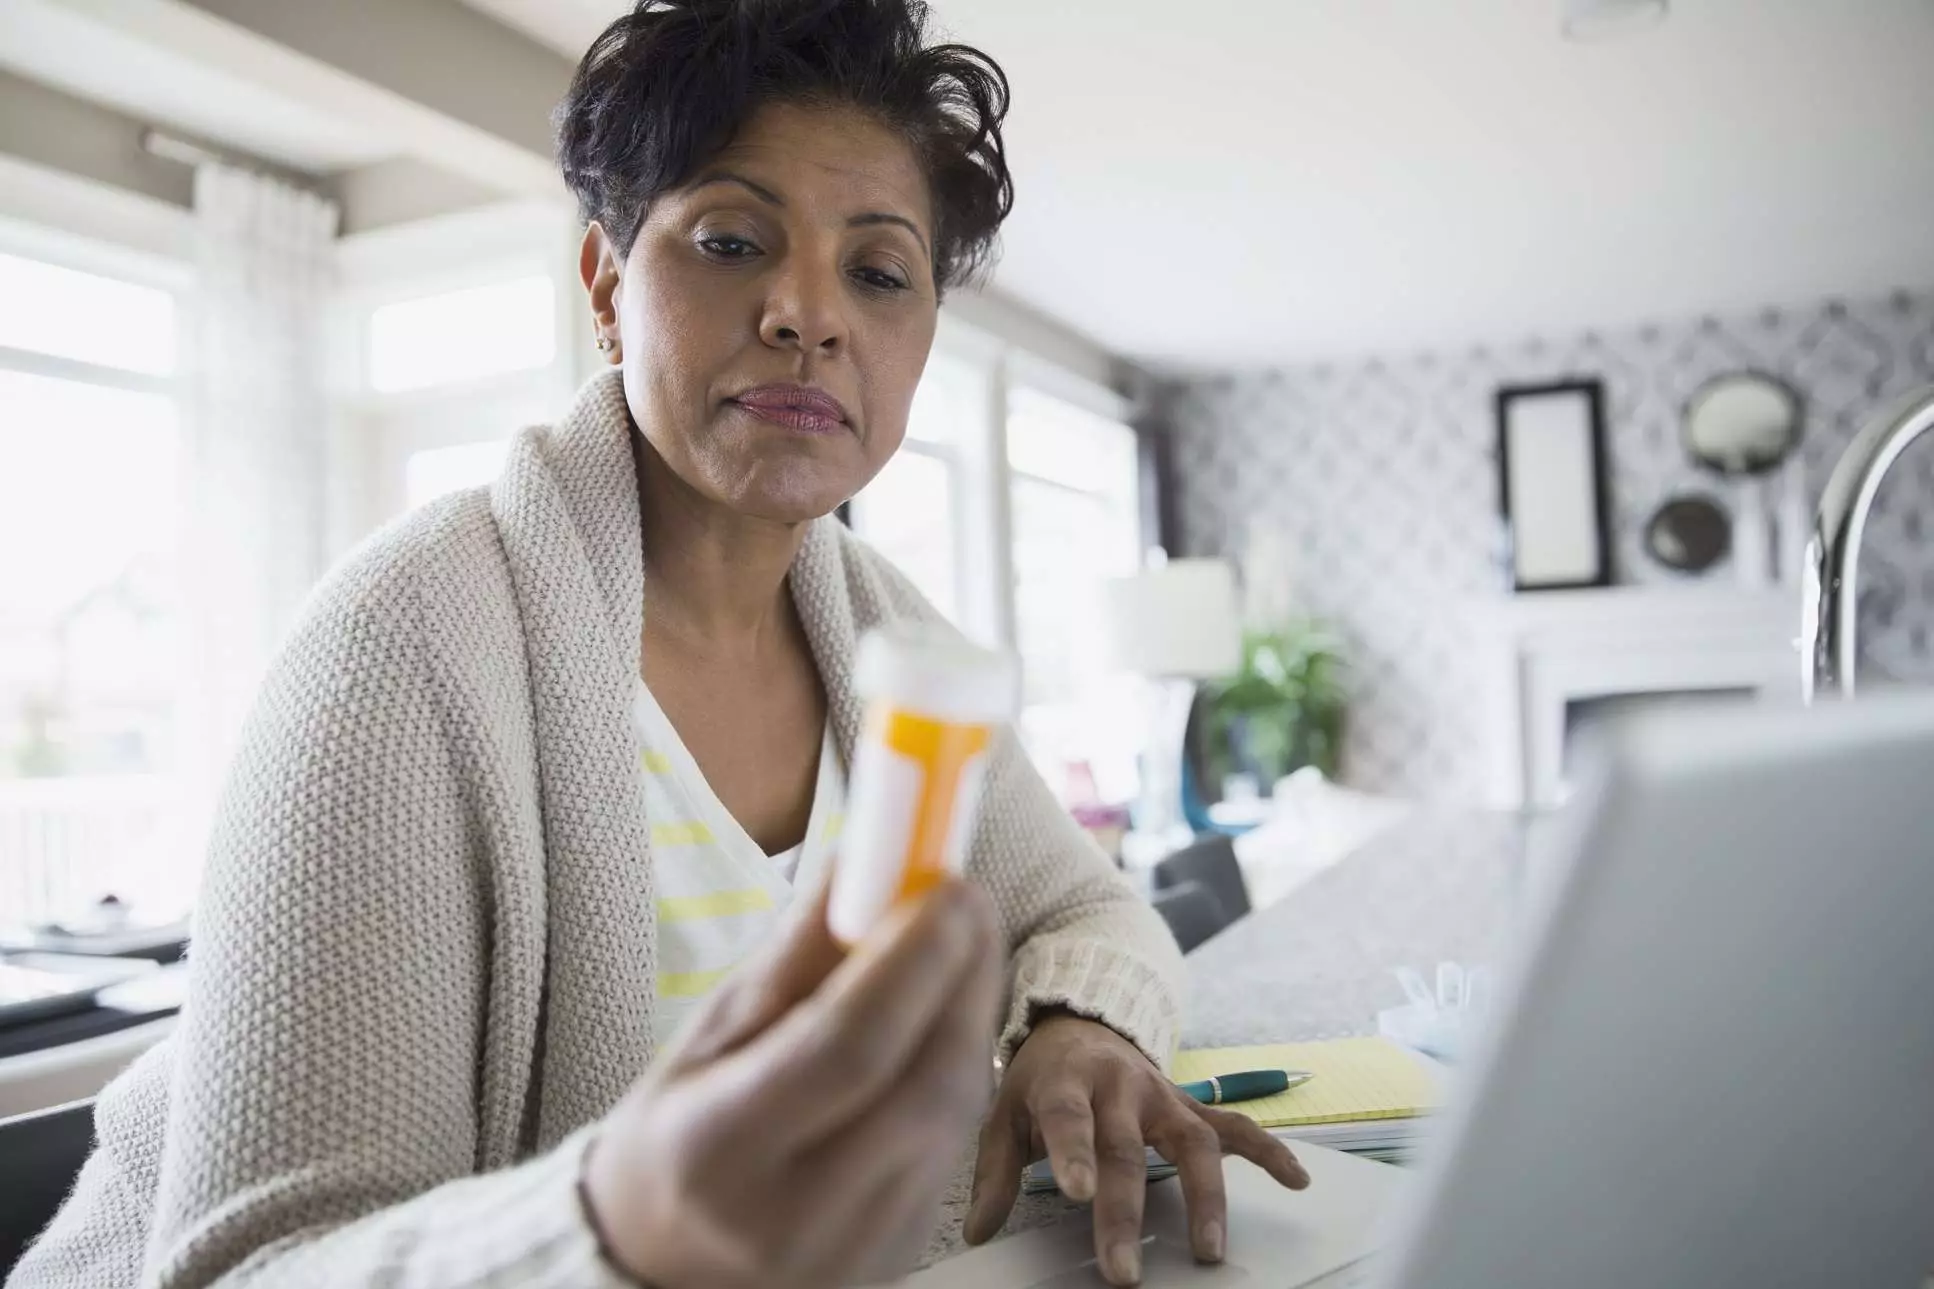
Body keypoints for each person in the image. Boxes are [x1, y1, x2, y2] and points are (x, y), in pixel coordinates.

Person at [8, 2, 1306, 1286]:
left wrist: (1079, 1027)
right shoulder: (399, 649)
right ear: (607, 287)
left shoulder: (891, 633)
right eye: (732, 241)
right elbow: (258, 1267)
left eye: (877, 270)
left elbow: (1085, 904)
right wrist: (623, 1224)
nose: (809, 312)